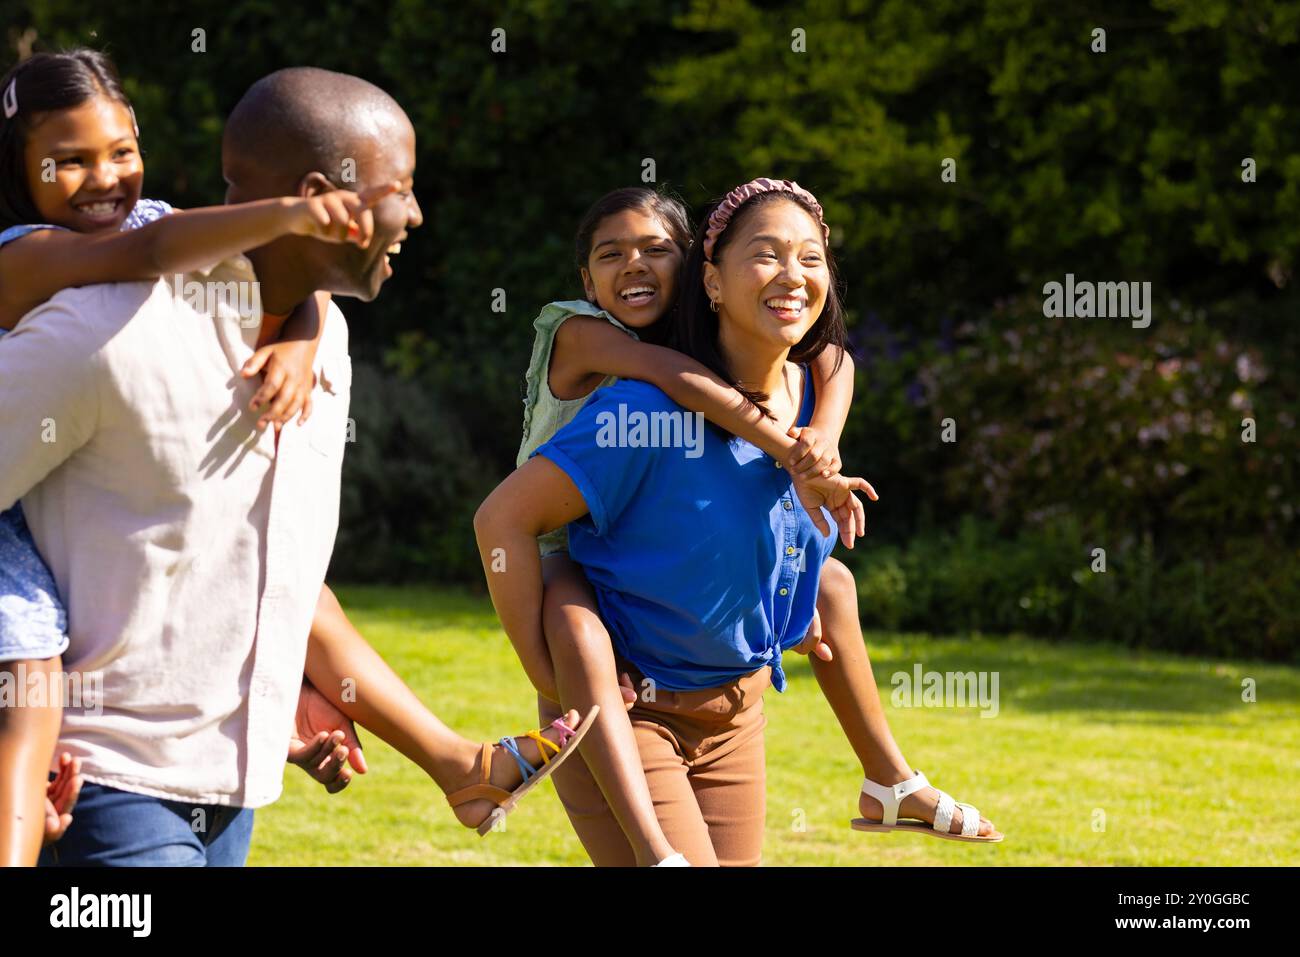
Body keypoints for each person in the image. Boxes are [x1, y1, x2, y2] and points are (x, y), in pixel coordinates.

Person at [0, 59, 588, 867]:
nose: (416, 214)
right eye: (401, 187)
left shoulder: (325, 341)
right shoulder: (97, 334)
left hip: (236, 788)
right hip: (100, 780)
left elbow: (266, 562)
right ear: (322, 196)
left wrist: (285, 698)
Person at [477, 178, 1000, 866]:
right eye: (767, 254)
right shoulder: (644, 407)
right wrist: (549, 680)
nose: (793, 275)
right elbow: (502, 518)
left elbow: (835, 363)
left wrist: (788, 582)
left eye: (811, 259)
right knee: (572, 612)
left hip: (735, 718)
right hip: (631, 714)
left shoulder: (812, 396)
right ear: (713, 283)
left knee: (834, 583)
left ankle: (891, 780)